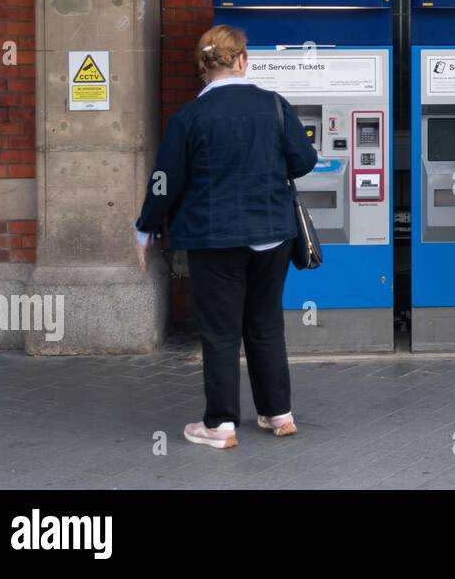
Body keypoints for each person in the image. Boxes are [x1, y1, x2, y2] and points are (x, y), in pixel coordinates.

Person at [134, 25, 318, 448]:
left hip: (213, 238)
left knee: (220, 331)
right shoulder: (274, 105)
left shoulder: (189, 117)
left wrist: (145, 228)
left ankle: (219, 425)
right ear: (241, 60)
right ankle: (278, 413)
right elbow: (304, 159)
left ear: (204, 65)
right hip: (273, 234)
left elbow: (164, 182)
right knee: (266, 323)